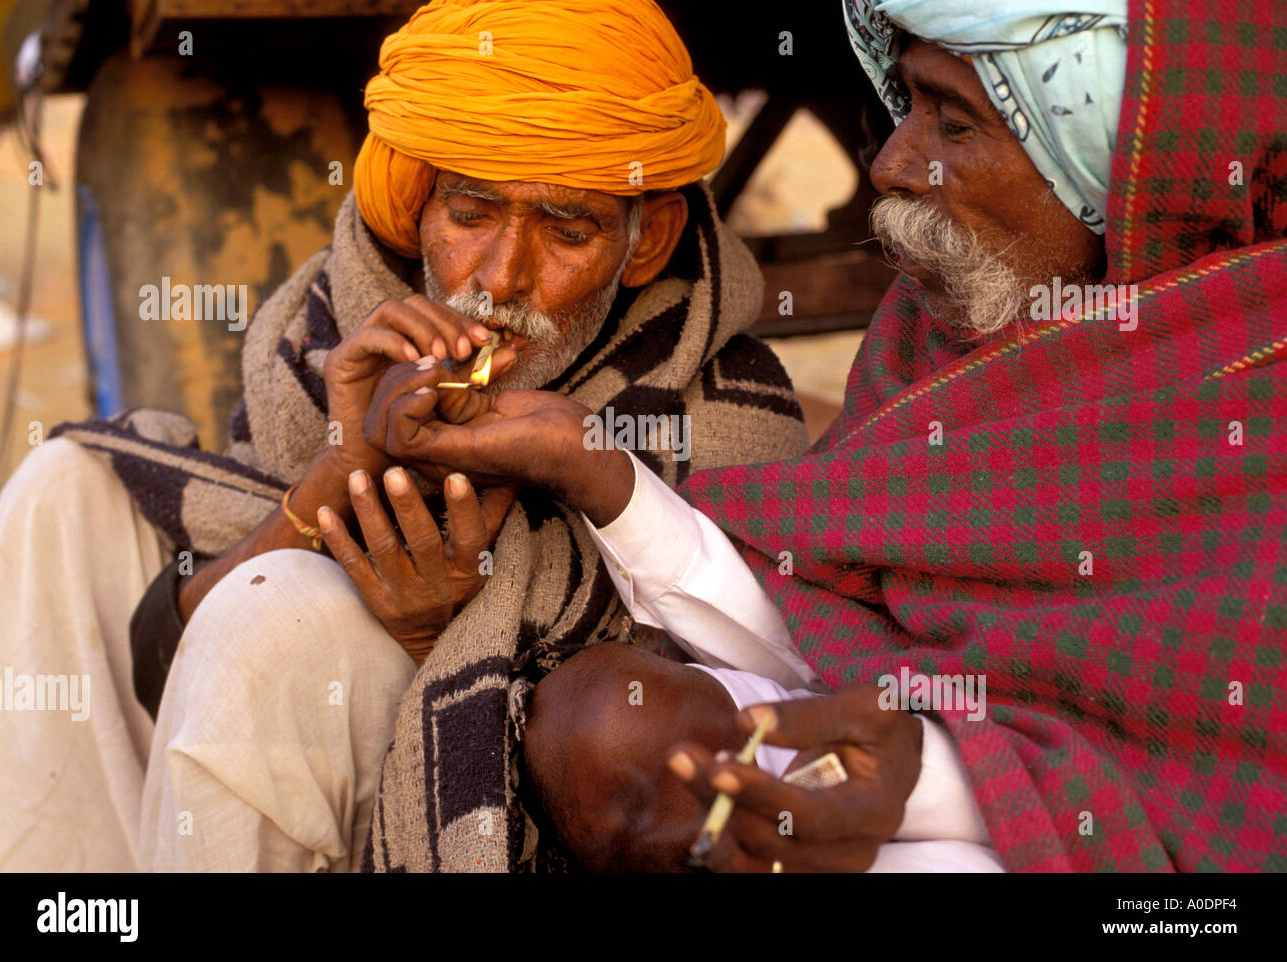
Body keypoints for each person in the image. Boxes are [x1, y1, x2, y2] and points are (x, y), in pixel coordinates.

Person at [353, 0, 1287, 871]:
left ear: (1116, 158)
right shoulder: (940, 331)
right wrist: (592, 467)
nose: (890, 165)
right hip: (919, 755)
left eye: (953, 124)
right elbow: (837, 619)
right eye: (908, 104)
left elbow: (1233, 792)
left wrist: (930, 780)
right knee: (606, 728)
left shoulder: (1254, 390)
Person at [0, 0, 810, 872]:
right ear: (416, 204)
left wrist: (442, 632)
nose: (501, 278)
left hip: (504, 767)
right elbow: (162, 641)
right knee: (60, 488)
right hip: (268, 675)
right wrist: (340, 472)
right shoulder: (320, 332)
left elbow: (738, 694)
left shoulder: (725, 404)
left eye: (569, 232)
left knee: (272, 622)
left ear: (648, 244)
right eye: (469, 216)